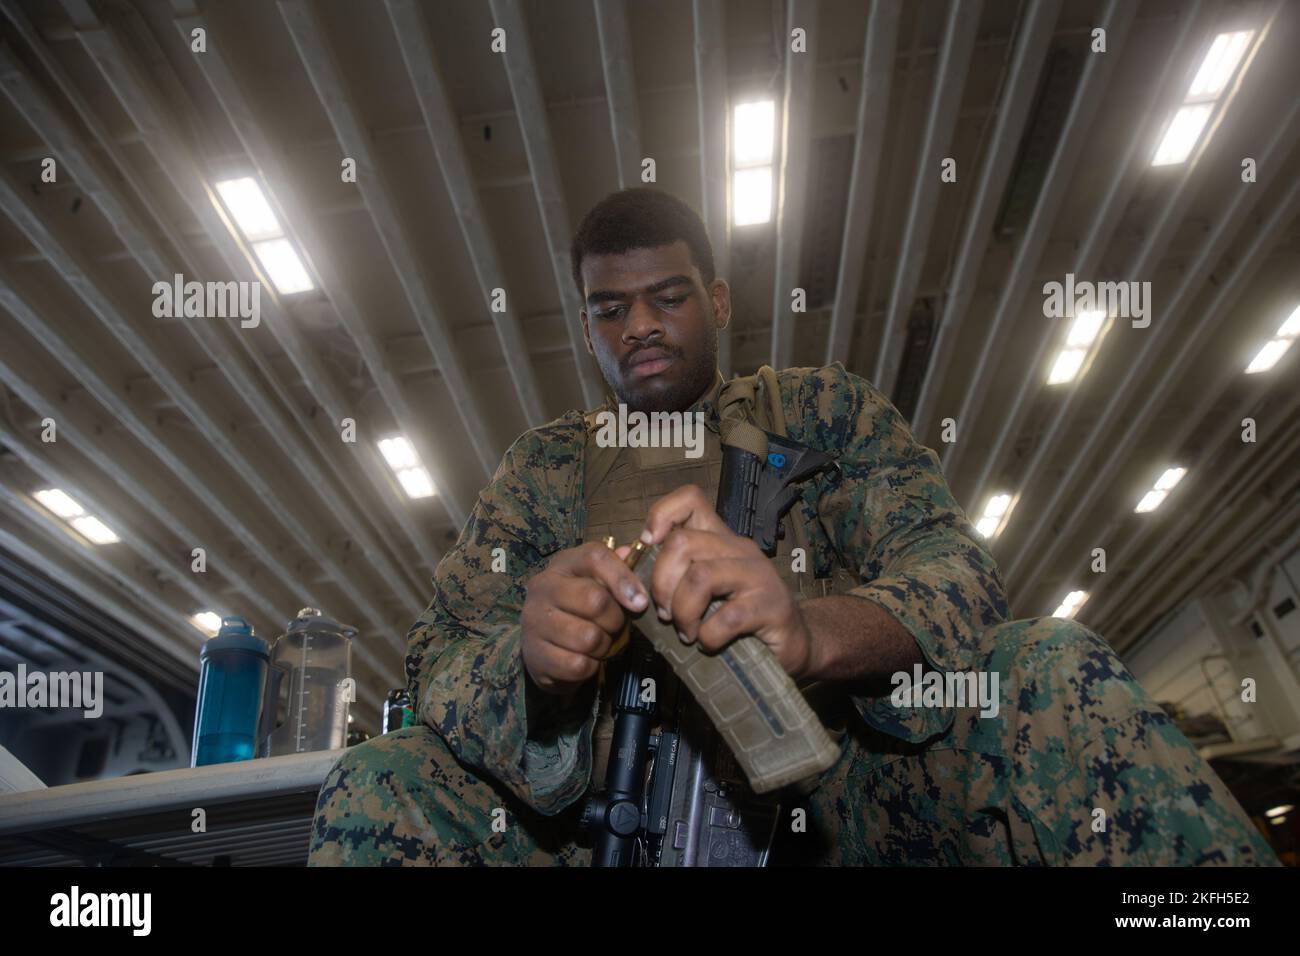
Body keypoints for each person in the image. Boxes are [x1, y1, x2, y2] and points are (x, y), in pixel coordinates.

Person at [308, 188, 1276, 866]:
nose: (639, 325)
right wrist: (525, 661)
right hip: (584, 833)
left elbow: (957, 574)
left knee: (1051, 673)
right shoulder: (541, 470)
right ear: (586, 327)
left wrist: (814, 632)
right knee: (377, 781)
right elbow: (434, 653)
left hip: (837, 813)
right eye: (610, 308)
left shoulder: (816, 412)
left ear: (718, 300)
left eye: (668, 296)